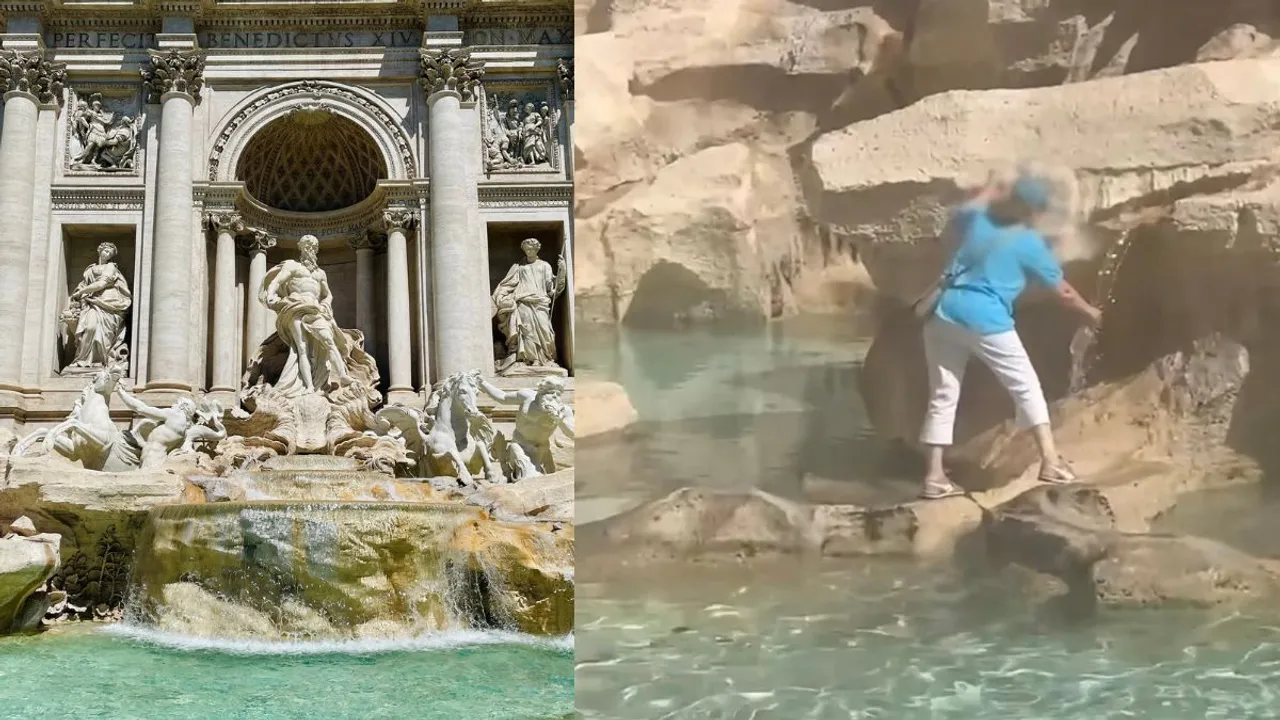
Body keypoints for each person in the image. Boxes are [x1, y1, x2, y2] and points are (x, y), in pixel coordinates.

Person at [918, 170, 1103, 500]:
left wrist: (991, 186)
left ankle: (934, 476)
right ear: (1036, 212)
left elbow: (964, 209)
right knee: (1026, 385)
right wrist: (1091, 313)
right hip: (985, 317)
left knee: (944, 394)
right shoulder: (1029, 243)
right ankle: (1051, 462)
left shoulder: (978, 222)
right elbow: (1062, 291)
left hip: (943, 314)